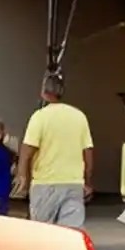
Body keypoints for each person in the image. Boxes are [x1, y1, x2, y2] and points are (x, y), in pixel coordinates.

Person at [18, 73, 94, 228]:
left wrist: (22, 178)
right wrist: (87, 182)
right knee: (71, 234)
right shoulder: (79, 117)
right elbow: (88, 153)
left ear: (43, 92)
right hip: (73, 185)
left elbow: (27, 152)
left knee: (44, 234)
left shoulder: (39, 118)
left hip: (45, 186)